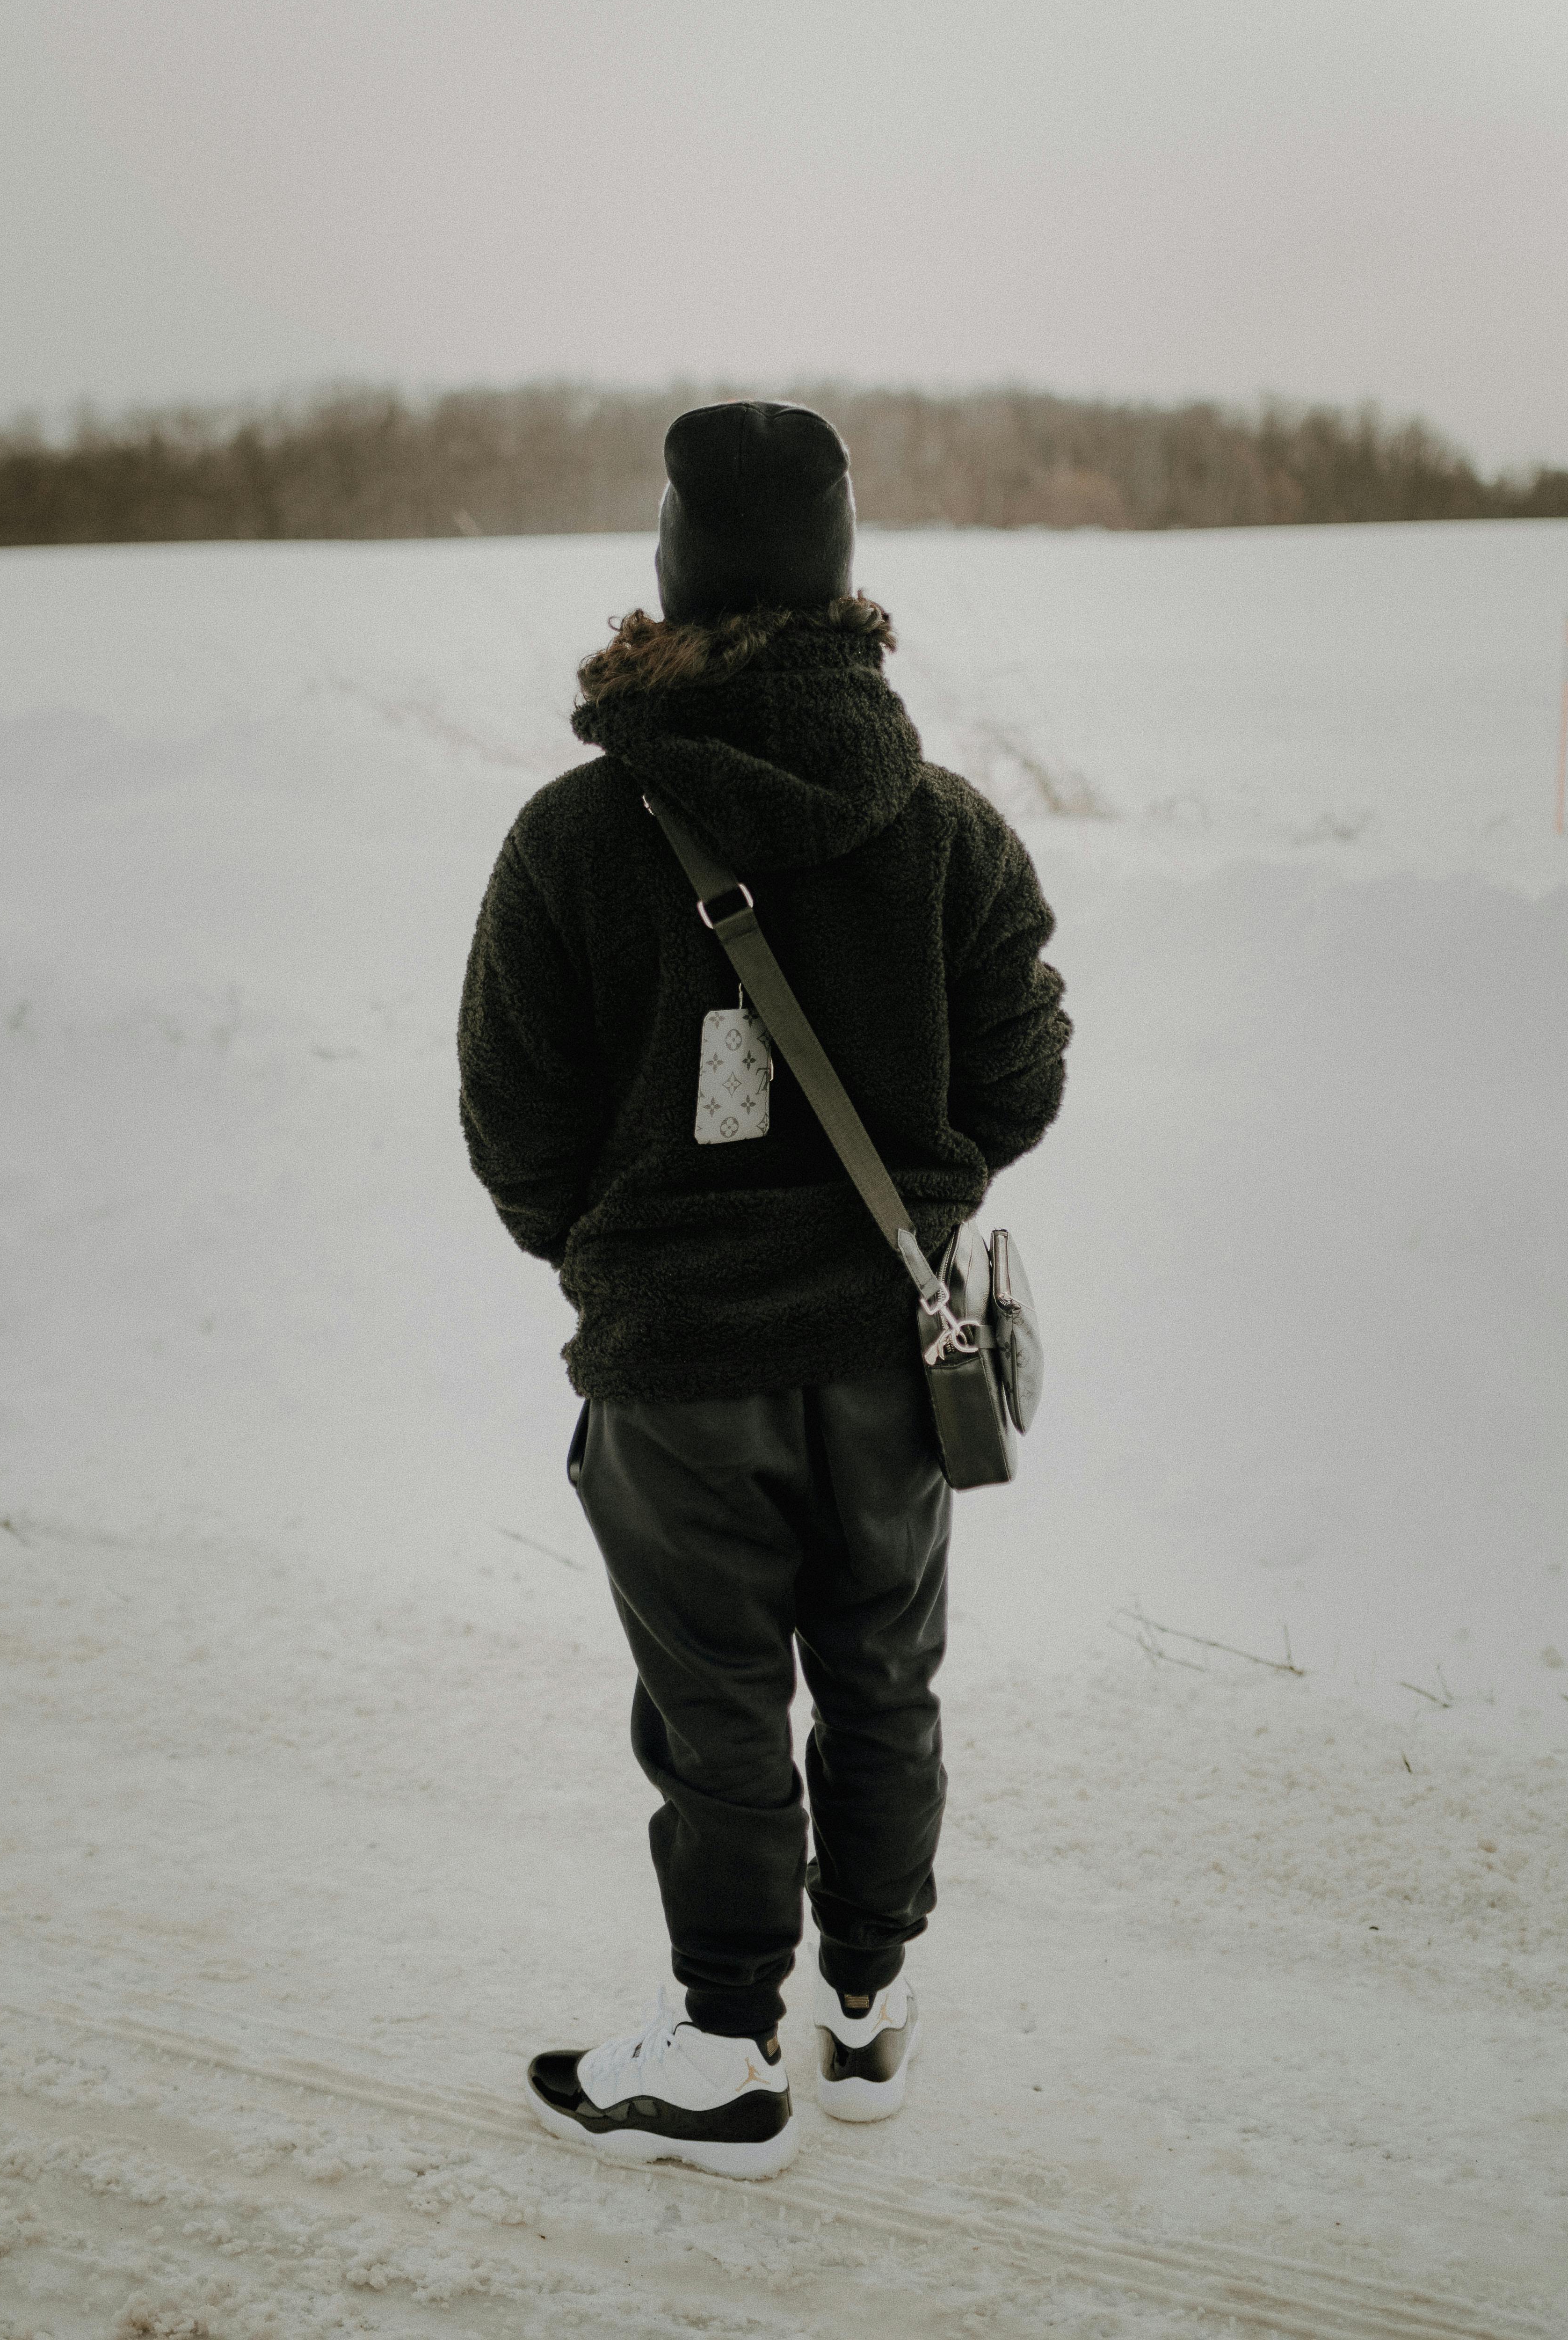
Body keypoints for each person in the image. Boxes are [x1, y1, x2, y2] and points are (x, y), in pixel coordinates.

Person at [458, 399, 1070, 2176]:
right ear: (844, 576)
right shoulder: (947, 831)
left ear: (668, 570)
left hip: (676, 1372)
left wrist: (625, 1255)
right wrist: (915, 1200)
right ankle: (864, 2016)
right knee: (887, 1676)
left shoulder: (573, 839)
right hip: (895, 1347)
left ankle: (724, 2049)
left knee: (718, 1712)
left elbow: (515, 1124)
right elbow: (1023, 1080)